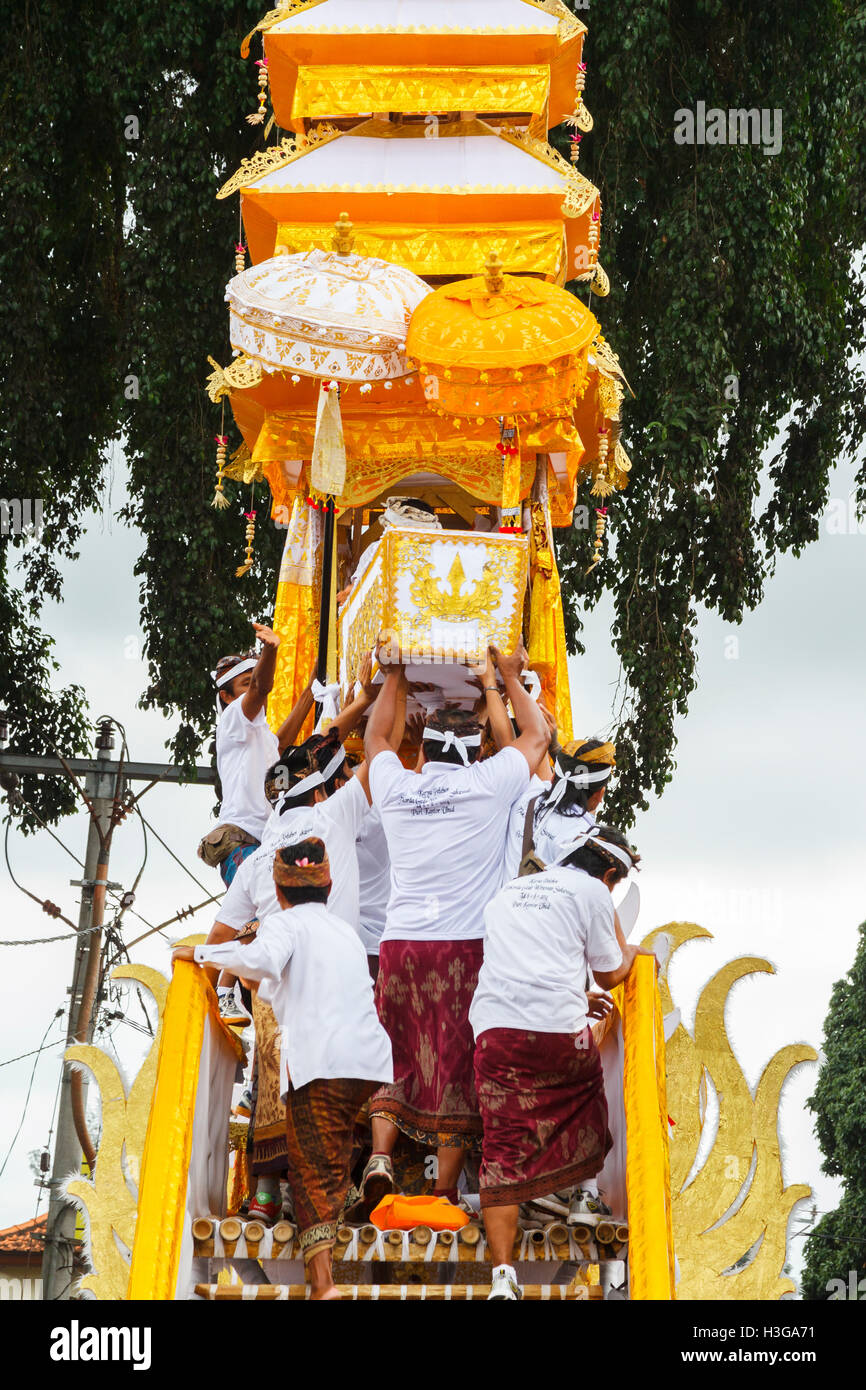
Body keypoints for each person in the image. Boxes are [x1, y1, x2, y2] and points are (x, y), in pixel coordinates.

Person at [358, 643, 549, 1212]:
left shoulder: (399, 784)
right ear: (473, 753)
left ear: (427, 752)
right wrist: (504, 681)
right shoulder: (487, 784)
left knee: (394, 1055)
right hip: (465, 950)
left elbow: (374, 743)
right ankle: (443, 1191)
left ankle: (381, 1157)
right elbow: (536, 740)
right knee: (454, 1066)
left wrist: (392, 675)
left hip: (398, 947)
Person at [173, 838, 393, 1300]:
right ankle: (348, 1200)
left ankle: (324, 1286)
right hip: (367, 1062)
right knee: (329, 1152)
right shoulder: (344, 933)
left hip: (323, 1061)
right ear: (328, 887)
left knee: (310, 1168)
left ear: (278, 891)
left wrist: (203, 955)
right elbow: (277, 988)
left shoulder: (285, 924)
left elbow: (263, 960)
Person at [469, 824, 650, 1301]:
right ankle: (584, 1195)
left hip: (494, 1032)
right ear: (608, 873)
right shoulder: (592, 891)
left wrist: (574, 991)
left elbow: (527, 962)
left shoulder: (512, 890)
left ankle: (503, 1279)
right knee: (587, 1090)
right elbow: (610, 971)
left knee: (502, 1149)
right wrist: (632, 952)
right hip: (556, 1033)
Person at [199, 627, 315, 1024]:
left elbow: (282, 741)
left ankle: (232, 986)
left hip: (261, 843)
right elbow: (263, 689)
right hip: (240, 840)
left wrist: (314, 684)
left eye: (252, 682)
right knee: (258, 915)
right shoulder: (234, 720)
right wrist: (269, 650)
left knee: (266, 914)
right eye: (244, 685)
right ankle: (225, 988)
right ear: (227, 696)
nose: (253, 690)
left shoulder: (258, 733)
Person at [502, 737, 616, 881]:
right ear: (600, 795)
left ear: (554, 776)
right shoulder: (585, 839)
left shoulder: (528, 793)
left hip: (496, 901)